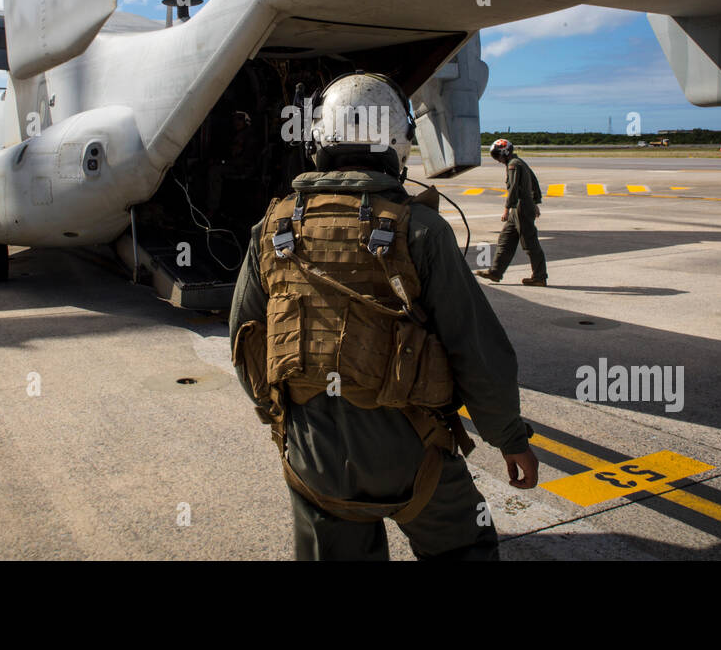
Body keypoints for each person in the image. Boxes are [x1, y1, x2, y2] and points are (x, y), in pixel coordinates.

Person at [228, 72, 538, 560]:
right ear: (398, 141)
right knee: (465, 546)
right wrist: (510, 439)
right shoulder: (423, 229)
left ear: (319, 138)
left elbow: (245, 337)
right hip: (413, 452)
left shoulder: (272, 226)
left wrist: (283, 422)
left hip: (314, 455)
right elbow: (476, 351)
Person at [474, 138, 547, 286]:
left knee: (530, 243)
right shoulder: (519, 162)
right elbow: (534, 182)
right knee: (505, 240)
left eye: (497, 155)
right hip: (520, 208)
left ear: (504, 153)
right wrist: (535, 202)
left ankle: (539, 277)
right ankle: (495, 272)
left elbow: (513, 189)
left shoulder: (513, 165)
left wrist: (507, 209)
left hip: (520, 208)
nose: (497, 159)